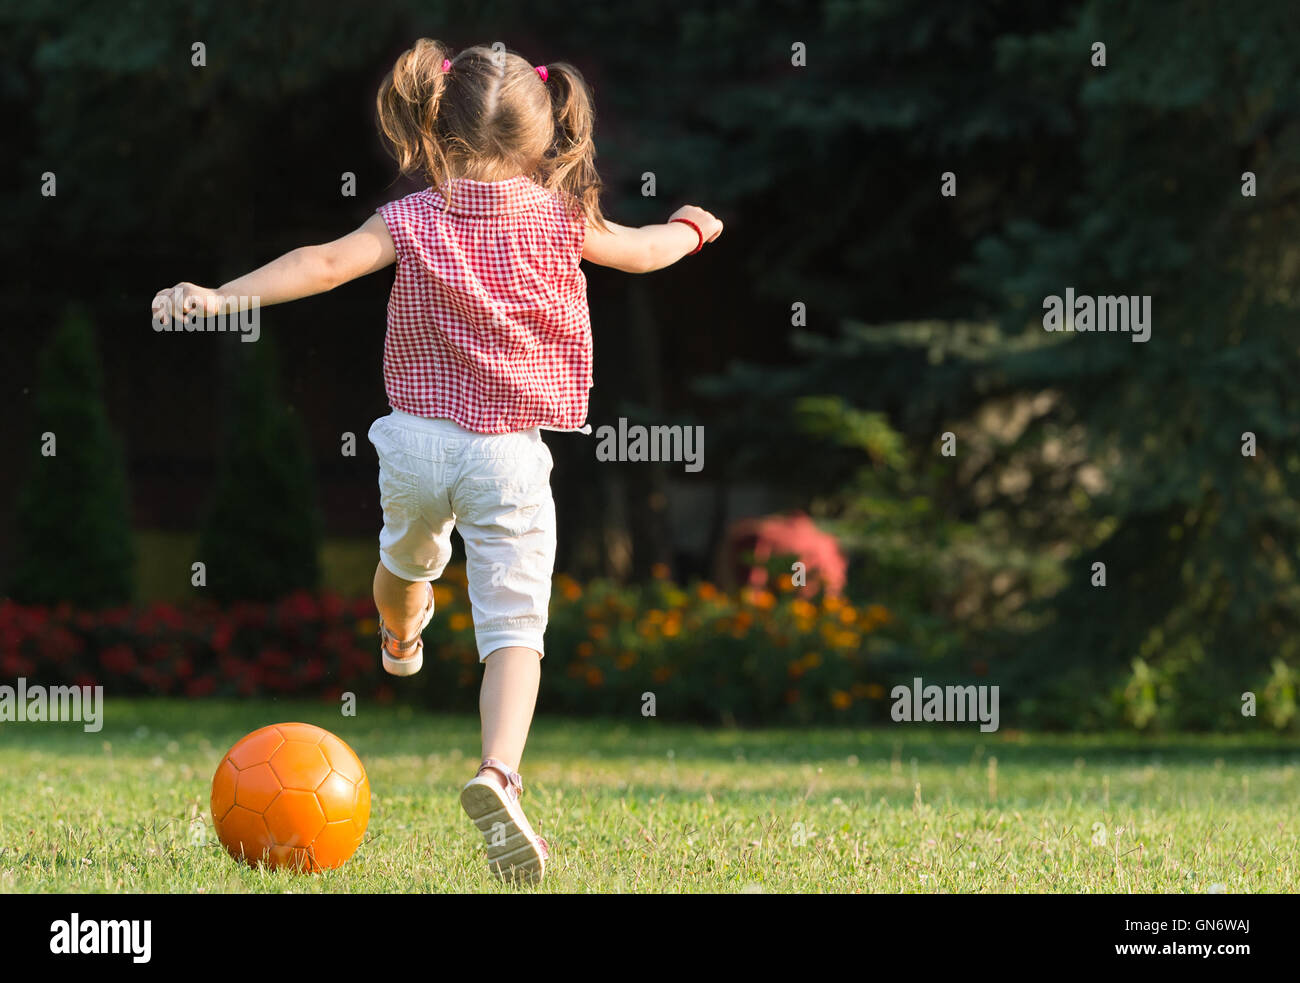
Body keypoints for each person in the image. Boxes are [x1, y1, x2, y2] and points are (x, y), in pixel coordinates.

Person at [152, 38, 722, 883]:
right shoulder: (564, 218)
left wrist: (220, 296)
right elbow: (642, 251)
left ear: (437, 130)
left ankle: (397, 625)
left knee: (402, 559)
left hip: (415, 443)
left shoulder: (410, 218)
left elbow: (321, 265)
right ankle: (498, 771)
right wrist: (690, 229)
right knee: (513, 631)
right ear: (542, 138)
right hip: (508, 458)